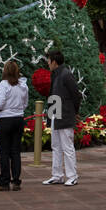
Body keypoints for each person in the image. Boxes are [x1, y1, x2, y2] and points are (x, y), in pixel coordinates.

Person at [0, 58, 29, 192]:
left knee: (4, 152)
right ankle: (16, 180)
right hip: (18, 118)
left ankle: (4, 181)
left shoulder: (4, 84)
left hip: (5, 119)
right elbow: (25, 103)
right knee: (15, 151)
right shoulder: (23, 85)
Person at [44, 49, 82, 186]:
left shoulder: (66, 75)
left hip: (65, 114)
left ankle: (72, 176)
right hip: (55, 114)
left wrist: (74, 112)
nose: (47, 63)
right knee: (56, 146)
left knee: (67, 147)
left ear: (54, 61)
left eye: (49, 60)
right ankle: (57, 175)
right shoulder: (55, 74)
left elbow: (76, 95)